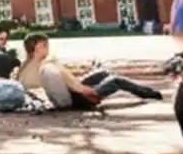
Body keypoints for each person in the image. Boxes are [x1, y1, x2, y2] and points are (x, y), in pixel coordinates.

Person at [19, 33, 162, 109]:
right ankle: (150, 94)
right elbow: (62, 77)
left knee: (103, 73)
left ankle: (145, 91)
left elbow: (25, 84)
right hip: (78, 99)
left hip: (70, 92)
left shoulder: (28, 65)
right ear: (37, 47)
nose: (48, 48)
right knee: (115, 80)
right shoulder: (46, 64)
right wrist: (83, 89)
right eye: (45, 45)